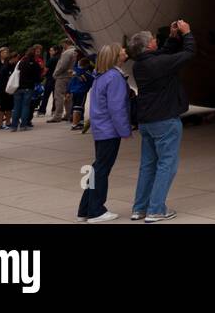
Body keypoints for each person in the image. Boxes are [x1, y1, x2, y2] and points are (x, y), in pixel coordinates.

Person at [128, 19, 195, 223]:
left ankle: (139, 208)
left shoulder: (140, 64)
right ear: (149, 45)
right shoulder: (157, 64)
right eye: (154, 39)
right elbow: (189, 54)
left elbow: (161, 55)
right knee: (167, 164)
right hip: (165, 120)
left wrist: (173, 38)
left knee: (147, 165)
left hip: (147, 121)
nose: (157, 41)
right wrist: (187, 34)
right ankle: (156, 209)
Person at [78, 44, 132, 222]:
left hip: (101, 130)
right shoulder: (114, 77)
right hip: (109, 131)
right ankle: (96, 210)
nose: (125, 51)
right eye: (122, 50)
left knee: (97, 169)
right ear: (116, 57)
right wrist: (125, 130)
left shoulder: (100, 77)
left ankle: (86, 209)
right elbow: (117, 108)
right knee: (101, 170)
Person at [14, 45, 43, 130]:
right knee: (26, 106)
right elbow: (38, 78)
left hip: (18, 87)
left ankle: (14, 126)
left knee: (16, 107)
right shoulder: (35, 64)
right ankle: (23, 125)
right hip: (28, 87)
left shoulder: (21, 62)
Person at [49, 42, 76, 123]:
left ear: (65, 44)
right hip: (71, 76)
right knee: (69, 97)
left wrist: (55, 73)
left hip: (62, 76)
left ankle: (57, 116)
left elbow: (63, 65)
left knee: (59, 97)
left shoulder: (67, 53)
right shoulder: (75, 52)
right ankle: (68, 114)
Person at [67, 51, 93, 130]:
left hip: (74, 91)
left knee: (77, 106)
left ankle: (80, 121)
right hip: (81, 91)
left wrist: (68, 91)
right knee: (78, 107)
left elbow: (71, 82)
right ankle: (75, 124)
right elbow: (91, 80)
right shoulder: (86, 73)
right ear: (87, 65)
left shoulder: (75, 70)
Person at [36, 44, 60, 117]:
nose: (50, 52)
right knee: (55, 96)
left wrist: (41, 75)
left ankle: (42, 111)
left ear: (55, 51)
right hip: (57, 78)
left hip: (50, 78)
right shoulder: (59, 58)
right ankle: (54, 110)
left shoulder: (51, 59)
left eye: (51, 50)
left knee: (46, 95)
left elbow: (46, 69)